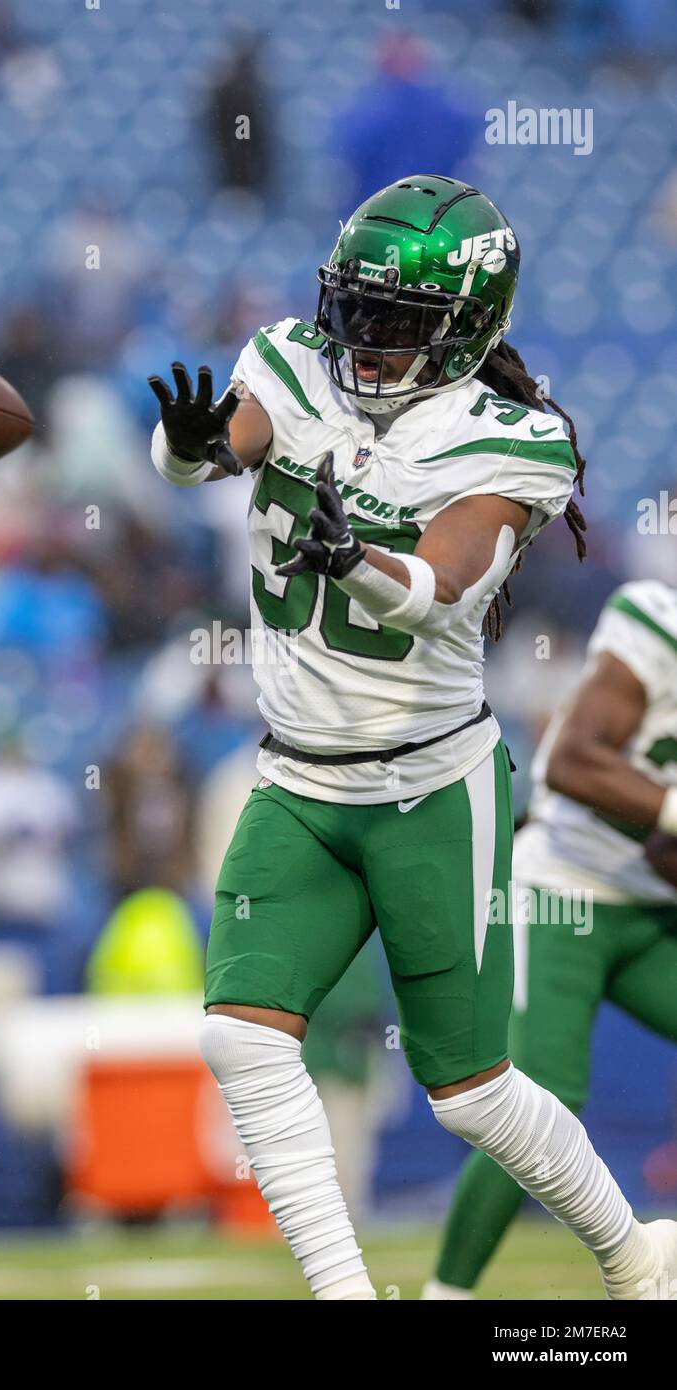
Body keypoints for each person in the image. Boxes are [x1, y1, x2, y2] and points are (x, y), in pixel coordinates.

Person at [147, 174, 677, 1301]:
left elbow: (442, 582)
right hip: (295, 779)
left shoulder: (510, 438)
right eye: (354, 308)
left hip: (428, 787)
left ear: (467, 329)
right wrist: (181, 450)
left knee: (469, 1089)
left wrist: (354, 562)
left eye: (395, 323)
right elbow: (217, 447)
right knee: (241, 1039)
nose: (363, 341)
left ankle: (631, 1257)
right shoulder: (289, 364)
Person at [426, 578, 677, 1298]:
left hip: (656, 906)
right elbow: (571, 762)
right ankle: (447, 1292)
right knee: (544, 1099)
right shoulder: (656, 627)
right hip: (564, 892)